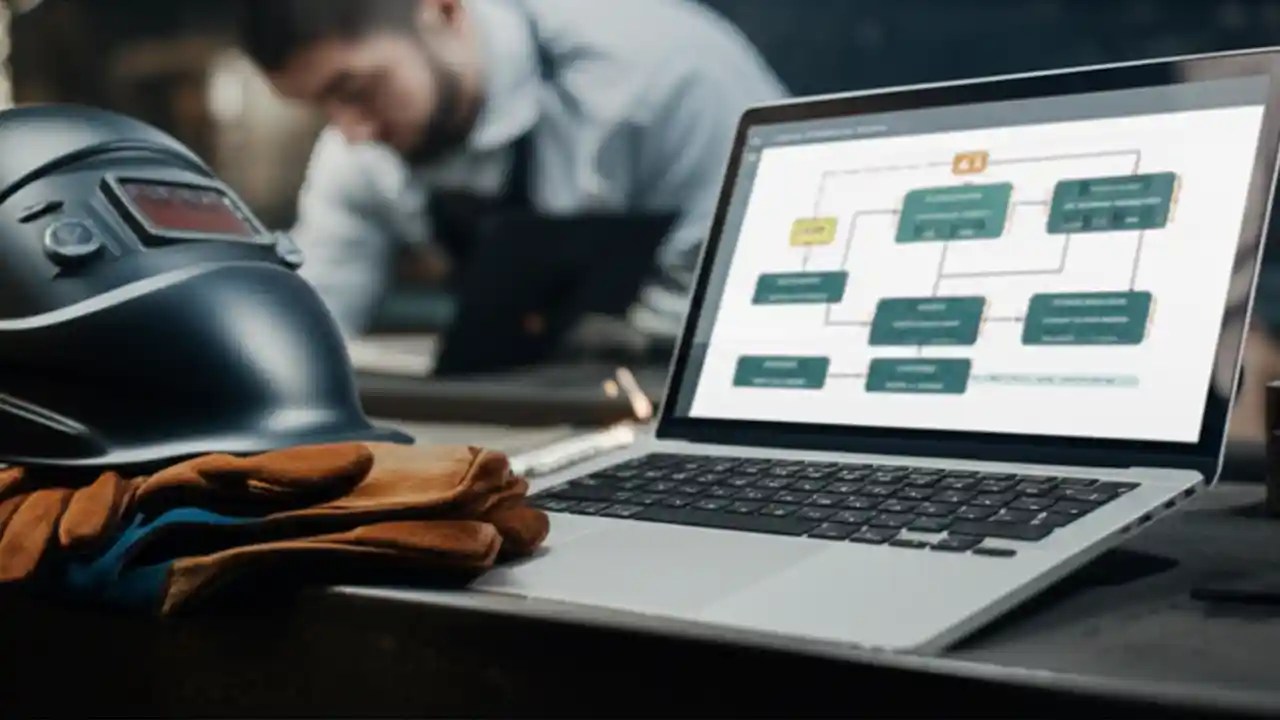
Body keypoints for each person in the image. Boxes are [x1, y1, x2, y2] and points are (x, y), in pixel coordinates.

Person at [234, 0, 788, 339]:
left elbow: (761, 295)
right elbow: (320, 319)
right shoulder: (355, 153)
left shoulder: (664, 76)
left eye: (356, 91)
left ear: (442, 9)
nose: (351, 130)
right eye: (321, 108)